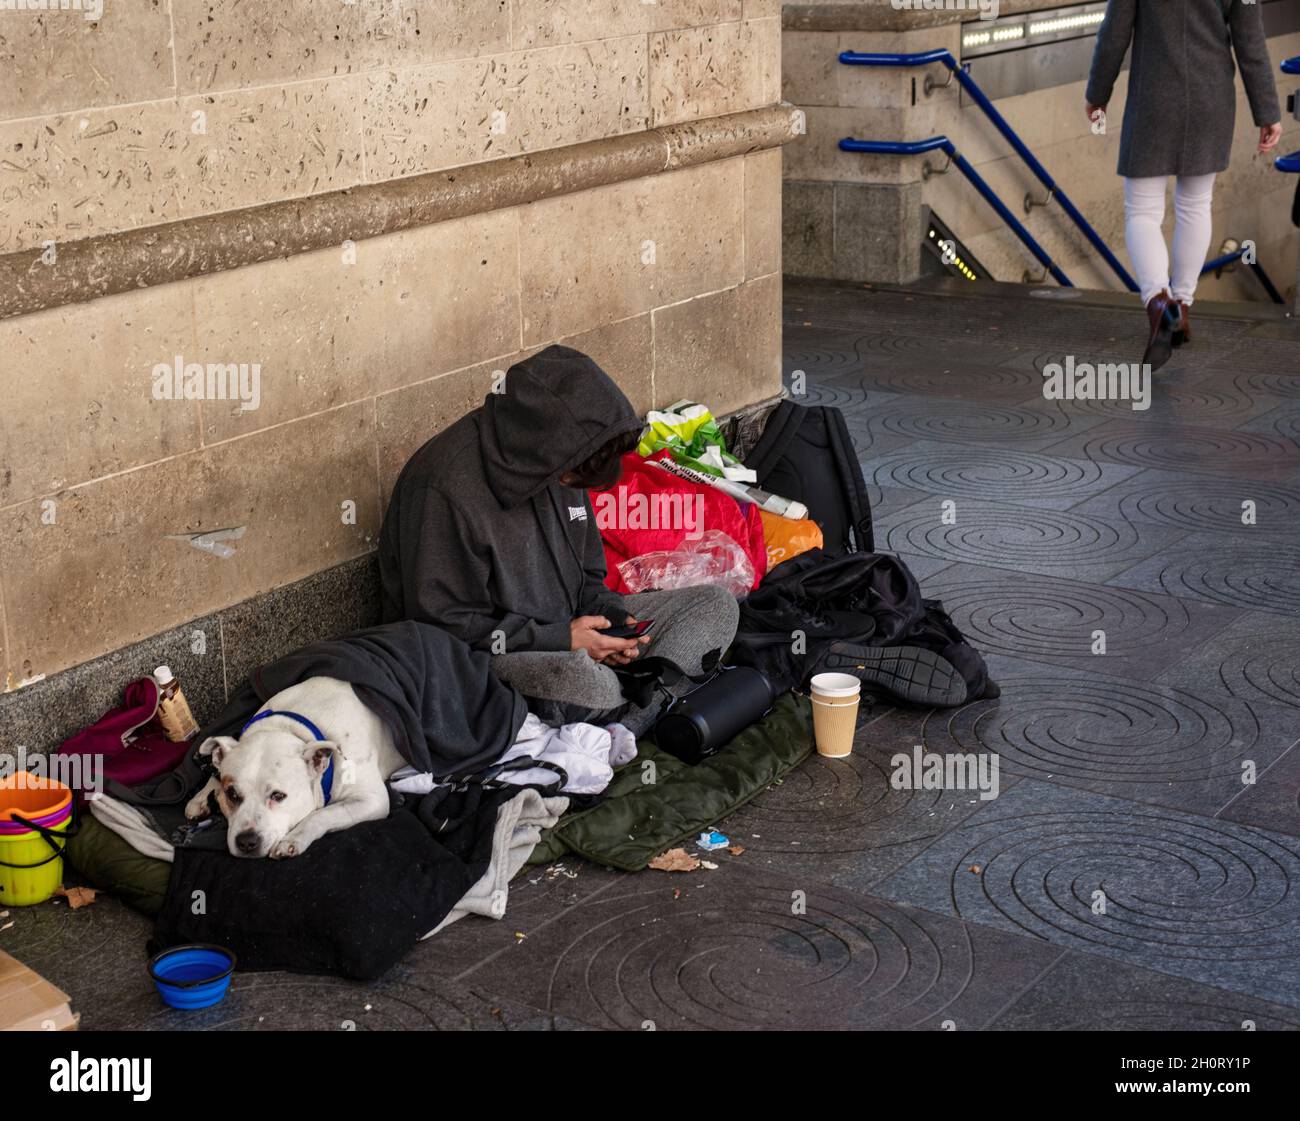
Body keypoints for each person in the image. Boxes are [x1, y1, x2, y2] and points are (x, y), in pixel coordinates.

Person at [378, 344, 739, 734]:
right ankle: (649, 708)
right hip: (488, 659)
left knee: (716, 604)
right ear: (545, 453)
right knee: (584, 682)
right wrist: (561, 640)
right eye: (567, 479)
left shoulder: (566, 454)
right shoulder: (444, 488)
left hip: (571, 633)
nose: (566, 487)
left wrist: (615, 622)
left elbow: (589, 575)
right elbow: (443, 629)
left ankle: (629, 712)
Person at [1086, 0, 1282, 370]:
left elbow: (1115, 30)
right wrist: (1267, 110)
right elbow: (1249, 38)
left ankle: (1159, 303)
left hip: (1153, 100)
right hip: (1212, 99)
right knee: (1195, 204)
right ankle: (1182, 306)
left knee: (1142, 211)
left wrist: (1098, 94)